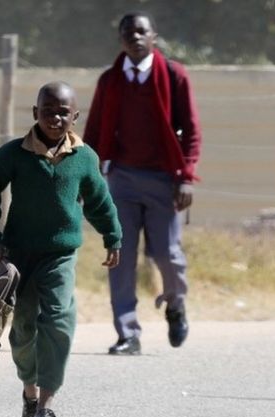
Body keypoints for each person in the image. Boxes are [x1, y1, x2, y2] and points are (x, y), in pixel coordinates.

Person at [0, 82, 122, 417]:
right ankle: (29, 394)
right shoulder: (13, 154)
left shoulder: (85, 158)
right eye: (47, 110)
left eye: (63, 112)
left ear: (75, 116)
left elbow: (100, 202)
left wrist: (113, 236)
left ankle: (46, 406)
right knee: (24, 328)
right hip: (17, 254)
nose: (55, 118)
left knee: (57, 319)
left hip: (60, 254)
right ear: (34, 113)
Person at [84, 11, 201, 354]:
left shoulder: (174, 75)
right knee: (119, 255)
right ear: (120, 39)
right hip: (121, 178)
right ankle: (127, 333)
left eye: (141, 32)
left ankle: (176, 305)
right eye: (127, 33)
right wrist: (86, 177)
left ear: (153, 37)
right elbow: (92, 132)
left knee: (168, 254)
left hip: (164, 178)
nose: (134, 38)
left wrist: (186, 176)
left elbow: (191, 130)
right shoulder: (110, 80)